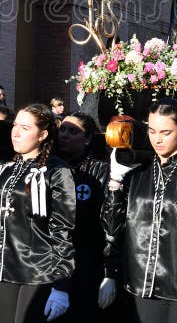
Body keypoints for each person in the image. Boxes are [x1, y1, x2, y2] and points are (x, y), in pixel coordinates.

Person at [103, 98, 177, 323]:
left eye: (165, 132)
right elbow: (113, 226)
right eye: (152, 130)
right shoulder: (137, 172)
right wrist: (115, 182)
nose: (157, 139)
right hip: (141, 283)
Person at [0, 103, 76, 323]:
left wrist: (61, 285)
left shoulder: (57, 170)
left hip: (36, 269)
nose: (16, 132)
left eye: (25, 127)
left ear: (43, 134)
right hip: (1, 268)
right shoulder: (3, 168)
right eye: (15, 125)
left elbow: (63, 229)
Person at [55, 112, 114, 321]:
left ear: (88, 138)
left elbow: (109, 223)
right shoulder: (49, 166)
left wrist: (109, 273)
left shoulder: (100, 171)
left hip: (86, 260)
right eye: (62, 129)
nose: (65, 135)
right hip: (51, 261)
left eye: (73, 131)